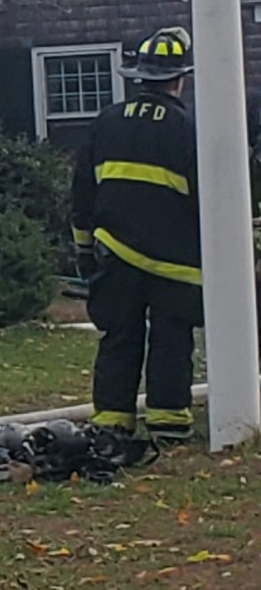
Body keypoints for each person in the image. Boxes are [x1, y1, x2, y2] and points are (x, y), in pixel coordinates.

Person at [73, 27, 202, 445]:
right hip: (175, 263)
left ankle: (112, 422)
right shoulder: (188, 128)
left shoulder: (106, 122)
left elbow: (82, 192)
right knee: (171, 339)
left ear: (139, 77)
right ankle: (168, 423)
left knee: (119, 337)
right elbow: (205, 198)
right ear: (179, 79)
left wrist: (84, 249)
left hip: (115, 254)